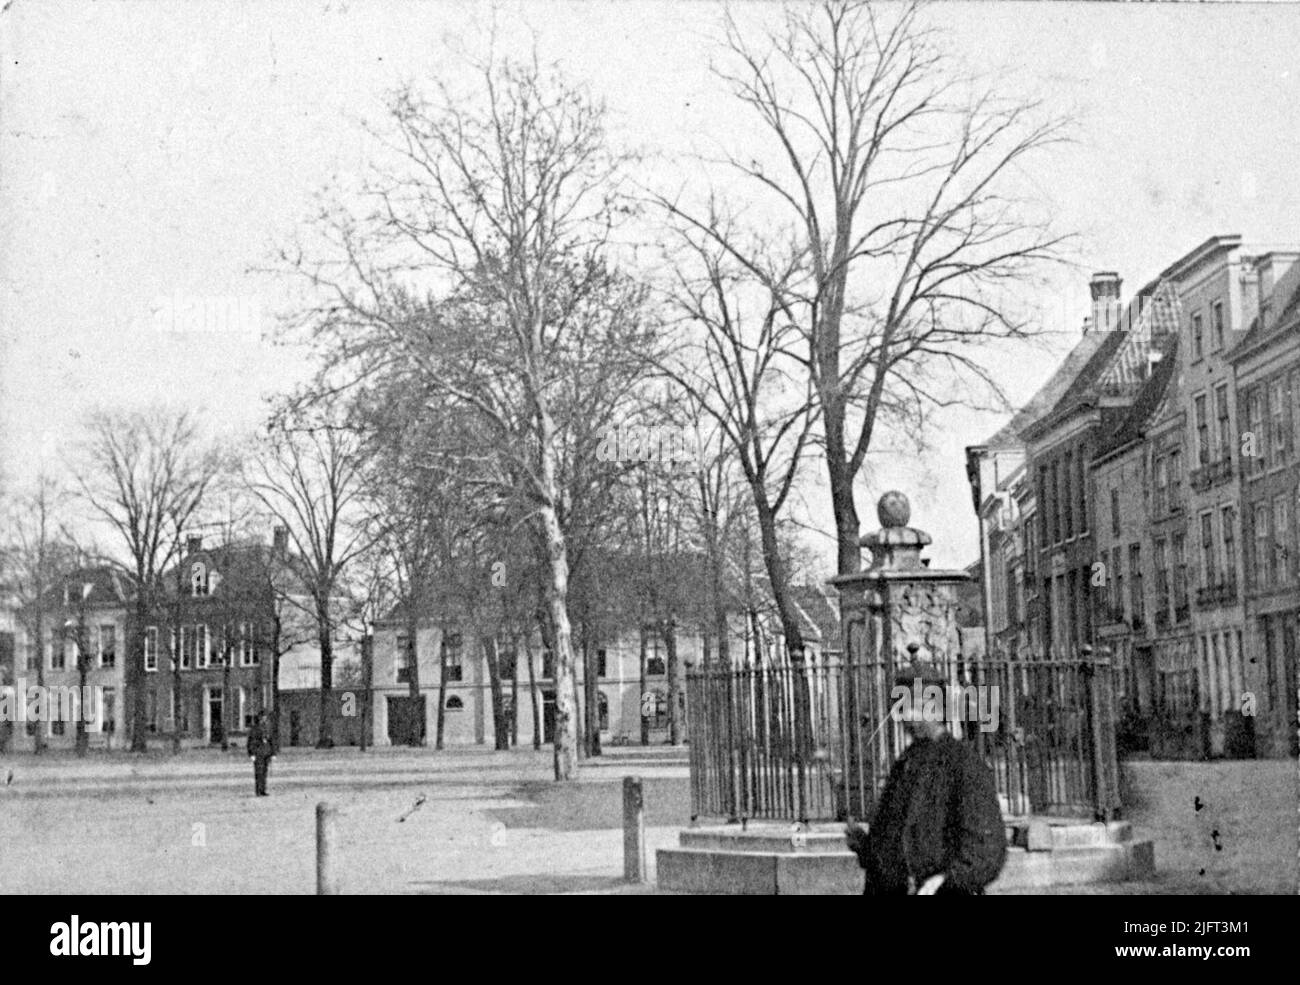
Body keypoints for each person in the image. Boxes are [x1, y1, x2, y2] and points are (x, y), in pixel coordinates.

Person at [844, 661, 1006, 895]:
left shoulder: (963, 764)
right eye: (900, 708)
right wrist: (865, 846)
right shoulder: (906, 762)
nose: (905, 718)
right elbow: (900, 843)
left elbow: (987, 847)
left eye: (913, 707)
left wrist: (945, 880)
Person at [247, 711, 274, 797]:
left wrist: (273, 753)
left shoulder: (268, 728)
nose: (264, 719)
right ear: (259, 718)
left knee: (264, 772)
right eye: (262, 717)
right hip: (258, 753)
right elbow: (251, 742)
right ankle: (258, 790)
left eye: (265, 717)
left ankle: (263, 789)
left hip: (266, 752)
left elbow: (271, 741)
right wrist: (251, 754)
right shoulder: (254, 728)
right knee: (259, 772)